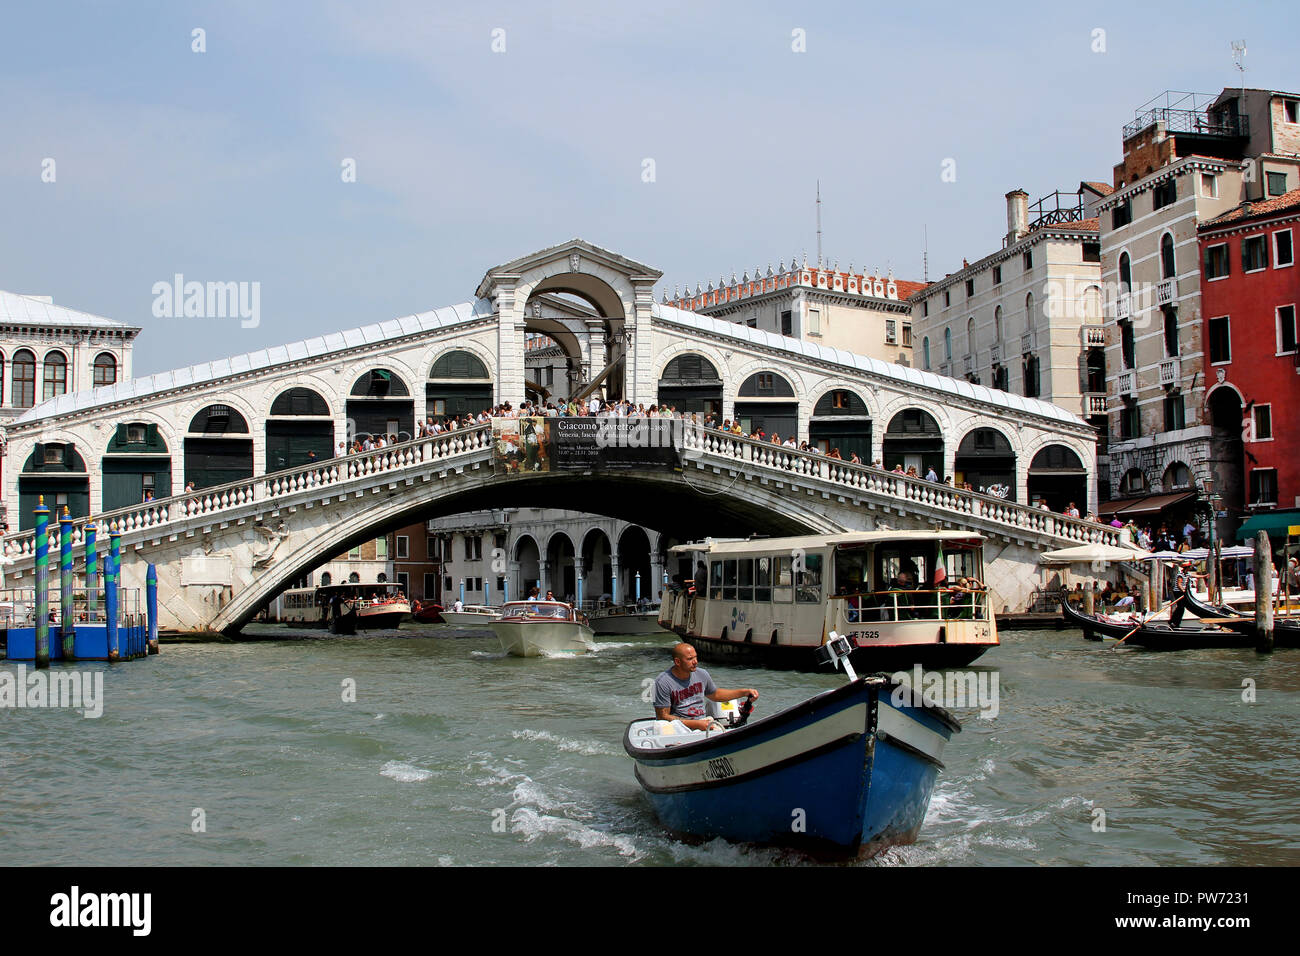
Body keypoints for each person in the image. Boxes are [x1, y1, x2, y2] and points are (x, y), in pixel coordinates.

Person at [653, 643, 757, 731]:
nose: (695, 662)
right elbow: (663, 717)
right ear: (677, 662)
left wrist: (744, 692)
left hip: (703, 723)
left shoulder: (702, 674)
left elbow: (715, 695)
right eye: (690, 659)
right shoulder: (663, 682)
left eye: (695, 657)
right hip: (680, 728)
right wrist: (697, 724)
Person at [1169, 561, 1206, 627]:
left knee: (1181, 607)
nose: (1189, 568)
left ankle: (1174, 622)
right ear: (1186, 568)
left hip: (1182, 592)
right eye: (1188, 567)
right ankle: (1174, 622)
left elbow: (1195, 575)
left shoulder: (1187, 574)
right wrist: (1183, 591)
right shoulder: (1180, 574)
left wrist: (1203, 576)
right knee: (1181, 607)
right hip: (1178, 592)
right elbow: (1179, 584)